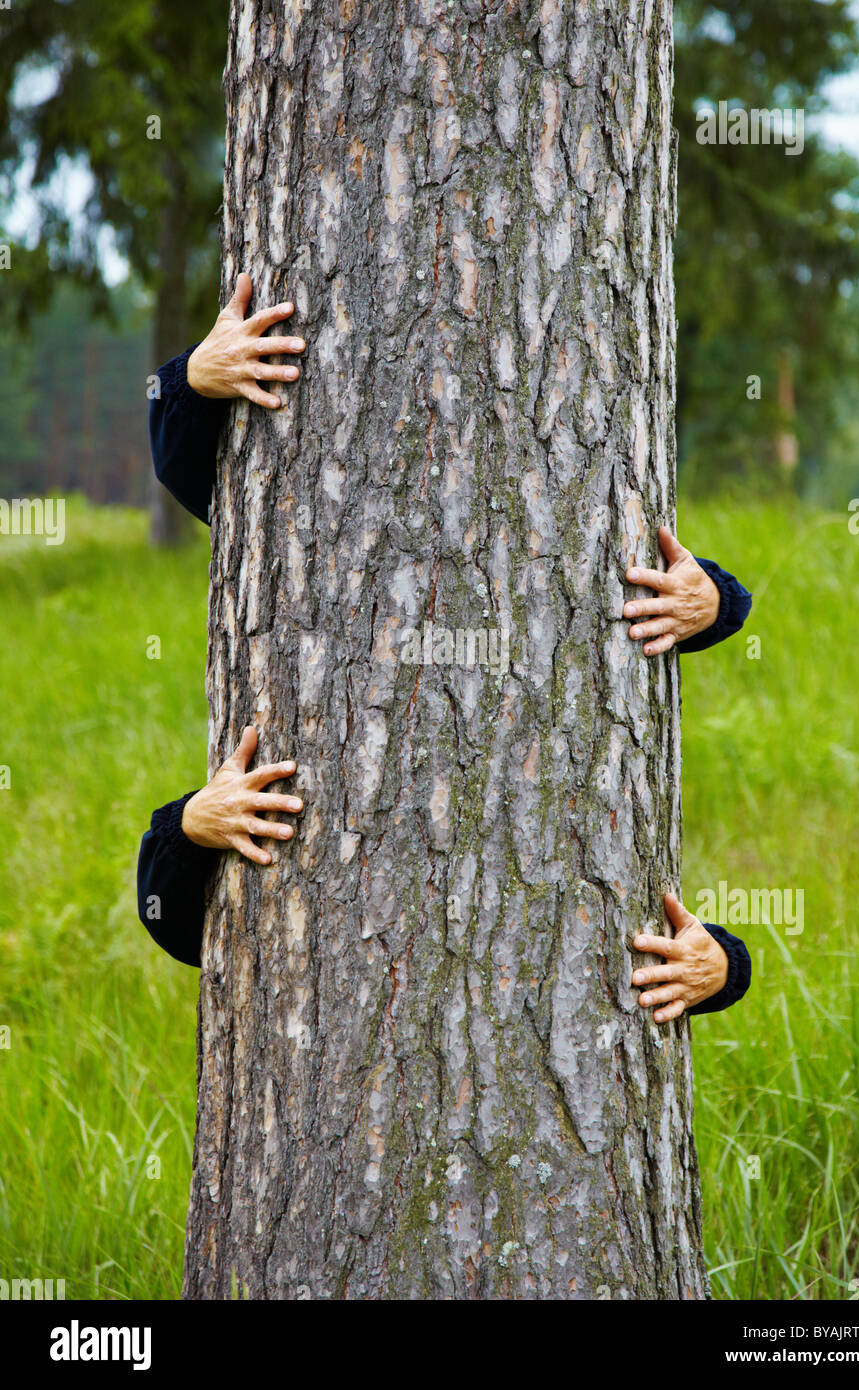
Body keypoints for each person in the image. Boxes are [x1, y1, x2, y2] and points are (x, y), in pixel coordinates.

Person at [139, 276, 754, 1022]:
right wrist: (191, 383)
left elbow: (669, 595)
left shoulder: (573, 588)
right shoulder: (285, 552)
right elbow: (172, 916)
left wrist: (722, 967)